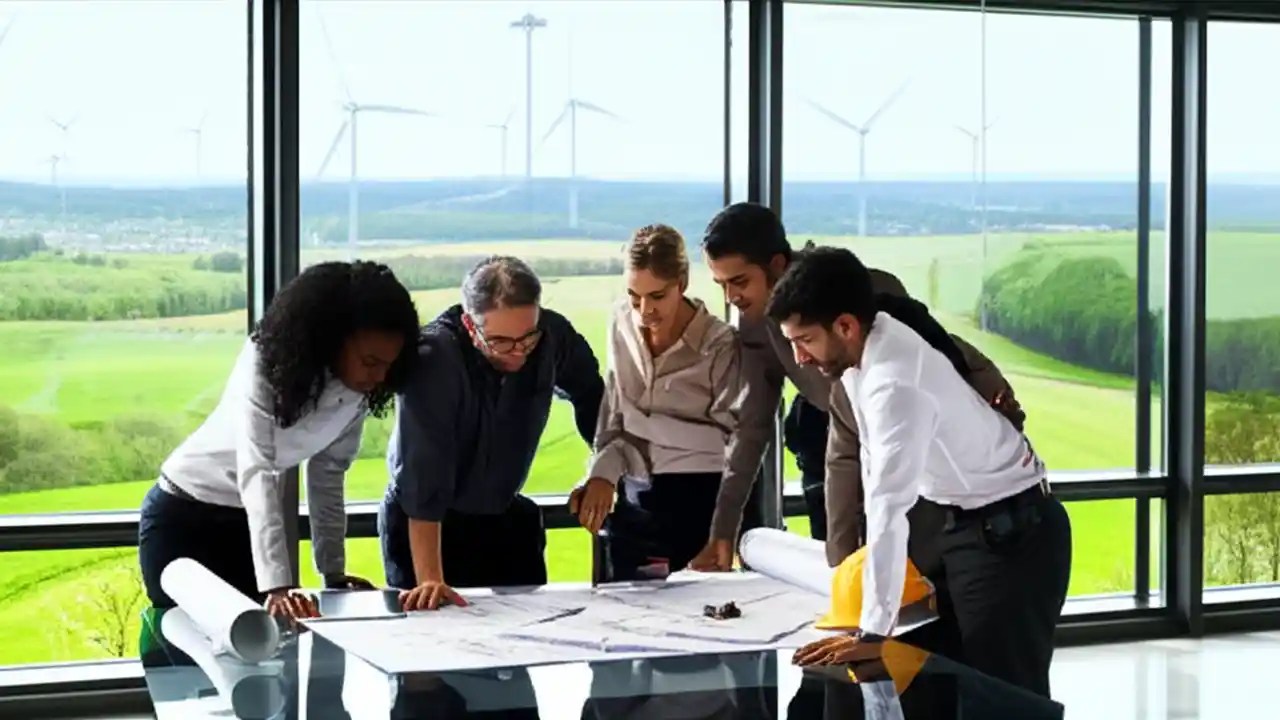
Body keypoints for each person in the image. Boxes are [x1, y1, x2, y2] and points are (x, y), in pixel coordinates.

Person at [774, 247, 1072, 699]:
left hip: (1013, 535)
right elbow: (872, 468)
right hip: (969, 526)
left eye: (805, 341)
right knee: (946, 691)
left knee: (1006, 701)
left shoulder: (894, 383)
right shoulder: (863, 352)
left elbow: (888, 506)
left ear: (846, 326)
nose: (799, 358)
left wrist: (873, 632)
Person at [691, 202, 1025, 570]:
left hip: (913, 439)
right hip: (830, 435)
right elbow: (752, 426)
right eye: (721, 285)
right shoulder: (754, 325)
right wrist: (724, 529)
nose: (730, 298)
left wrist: (998, 407)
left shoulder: (861, 292)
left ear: (776, 265)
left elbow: (945, 351)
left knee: (919, 565)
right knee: (846, 567)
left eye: (739, 282)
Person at [138, 261, 421, 622]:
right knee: (185, 645)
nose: (379, 376)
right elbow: (256, 470)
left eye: (388, 365)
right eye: (370, 362)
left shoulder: (356, 392)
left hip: (243, 526)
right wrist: (277, 586)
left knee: (263, 647)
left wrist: (333, 574)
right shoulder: (264, 363)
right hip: (182, 517)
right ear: (333, 338)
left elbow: (328, 475)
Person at [381, 255, 604, 611]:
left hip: (504, 515)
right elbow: (423, 477)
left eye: (527, 338)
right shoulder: (433, 358)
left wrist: (602, 471)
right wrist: (430, 579)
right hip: (427, 525)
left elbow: (594, 396)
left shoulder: (552, 335)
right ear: (470, 326)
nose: (518, 353)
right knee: (436, 630)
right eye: (500, 341)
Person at [569, 224, 742, 581]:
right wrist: (601, 473)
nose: (644, 311)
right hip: (632, 508)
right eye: (634, 297)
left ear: (683, 282)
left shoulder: (720, 344)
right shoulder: (620, 323)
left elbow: (730, 446)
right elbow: (613, 423)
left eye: (657, 296)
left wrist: (639, 427)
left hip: (698, 510)